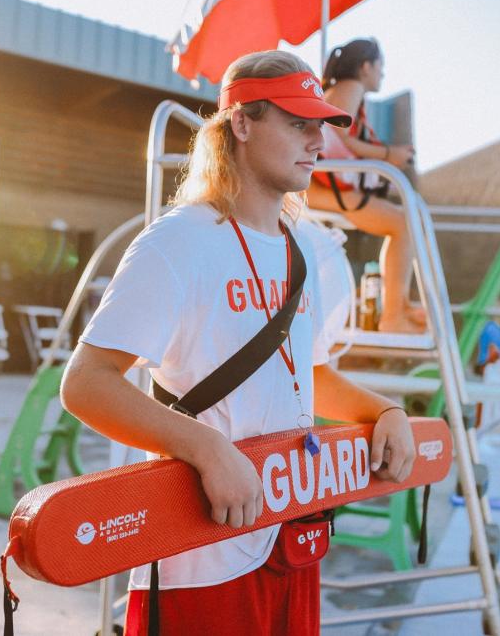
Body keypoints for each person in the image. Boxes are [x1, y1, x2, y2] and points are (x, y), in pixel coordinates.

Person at [60, 49, 416, 636]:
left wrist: (381, 409)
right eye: (298, 123)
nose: (317, 142)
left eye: (321, 125)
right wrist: (207, 449)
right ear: (243, 123)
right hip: (201, 556)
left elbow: (308, 373)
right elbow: (87, 383)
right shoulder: (176, 242)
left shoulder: (304, 246)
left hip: (291, 541)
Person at [306, 38, 425, 333]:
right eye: (380, 66)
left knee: (406, 221)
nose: (383, 74)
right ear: (365, 67)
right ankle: (393, 317)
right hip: (318, 190)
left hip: (323, 187)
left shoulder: (342, 91)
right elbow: (341, 136)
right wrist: (389, 155)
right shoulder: (351, 88)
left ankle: (399, 305)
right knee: (403, 225)